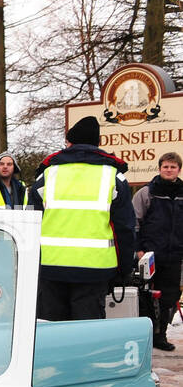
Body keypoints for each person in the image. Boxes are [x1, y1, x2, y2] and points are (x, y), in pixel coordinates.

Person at [31, 116, 136, 322]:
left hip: (50, 268)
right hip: (94, 271)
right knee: (87, 336)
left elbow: (31, 223)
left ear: (69, 143)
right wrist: (124, 269)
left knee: (51, 333)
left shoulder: (47, 176)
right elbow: (124, 229)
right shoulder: (114, 177)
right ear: (97, 144)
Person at [133, 151, 183, 350]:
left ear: (178, 169)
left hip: (175, 255)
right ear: (159, 168)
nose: (169, 170)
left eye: (173, 167)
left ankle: (161, 335)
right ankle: (146, 335)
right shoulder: (147, 193)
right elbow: (134, 222)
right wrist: (138, 250)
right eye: (165, 167)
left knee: (169, 297)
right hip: (150, 256)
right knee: (147, 297)